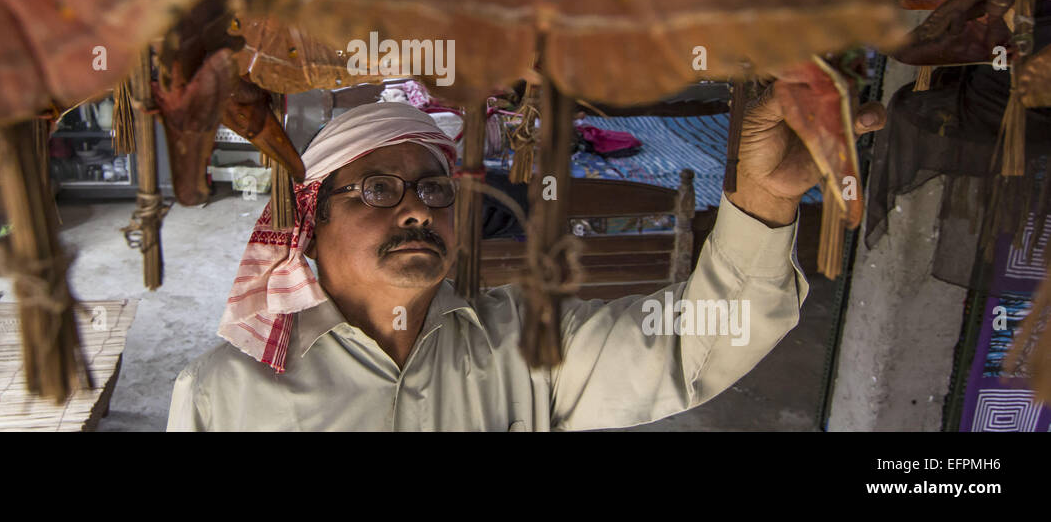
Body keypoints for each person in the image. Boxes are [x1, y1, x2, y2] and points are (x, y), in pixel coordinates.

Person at [167, 93, 886, 431]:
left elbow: (691, 347)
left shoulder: (524, 344)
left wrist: (759, 199)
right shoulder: (223, 395)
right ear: (309, 223)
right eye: (380, 189)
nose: (417, 209)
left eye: (435, 189)